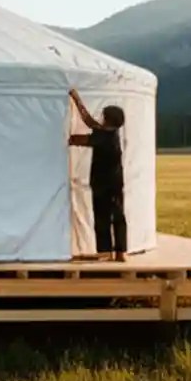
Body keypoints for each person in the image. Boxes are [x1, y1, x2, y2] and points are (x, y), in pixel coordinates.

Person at [67, 89, 128, 262]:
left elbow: (84, 134)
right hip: (116, 182)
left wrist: (68, 138)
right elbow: (90, 122)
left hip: (102, 183)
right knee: (118, 216)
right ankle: (121, 252)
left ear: (107, 119)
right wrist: (77, 100)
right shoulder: (112, 134)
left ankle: (105, 251)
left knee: (101, 216)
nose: (100, 118)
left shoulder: (102, 137)